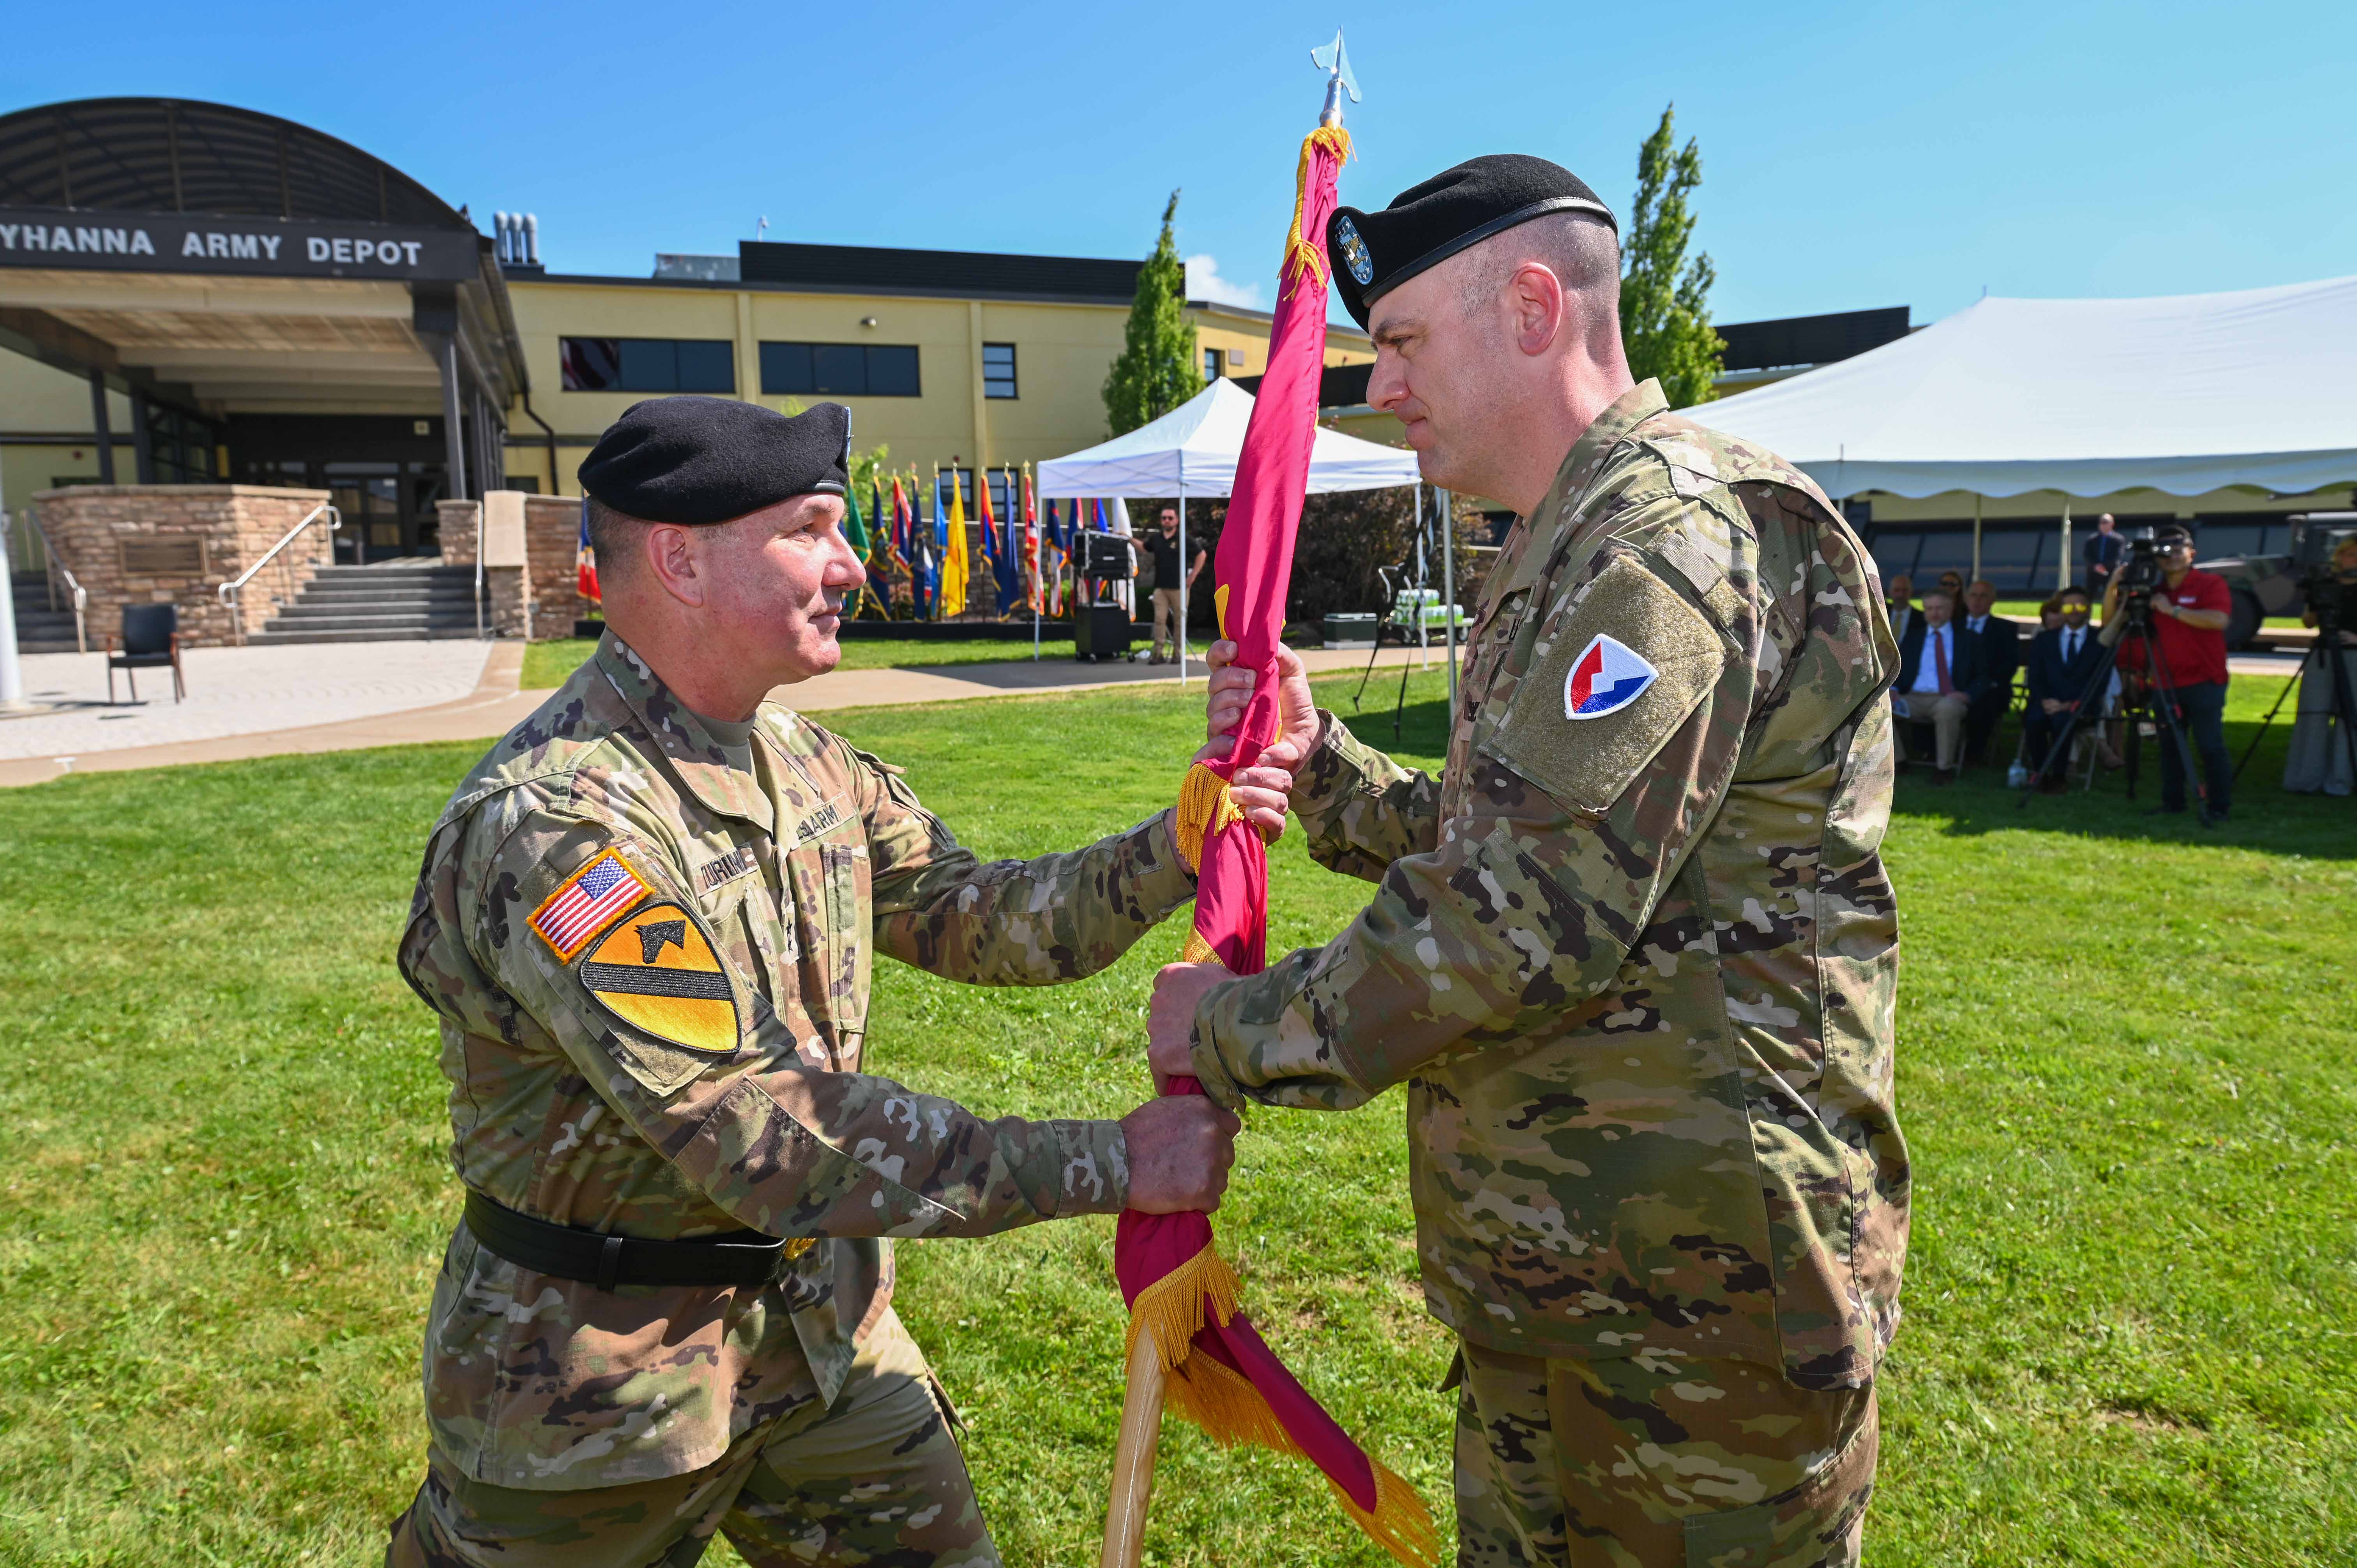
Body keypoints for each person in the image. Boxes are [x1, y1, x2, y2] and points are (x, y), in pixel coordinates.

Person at [1152, 155, 1904, 1566]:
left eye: (1400, 343)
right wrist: (1322, 770)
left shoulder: (1672, 544)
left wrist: (1226, 1031)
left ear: (1532, 304)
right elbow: (1520, 828)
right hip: (1577, 1285)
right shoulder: (1569, 544)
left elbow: (1511, 919)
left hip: (1699, 1324)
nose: (1377, 390)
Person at [384, 396, 1265, 1567]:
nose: (851, 564)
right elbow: (759, 1134)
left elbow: (977, 914)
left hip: (820, 1338)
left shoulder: (802, 761)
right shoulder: (559, 825)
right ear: (682, 559)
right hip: (594, 1397)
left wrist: (1184, 842)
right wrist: (1111, 1162)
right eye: (812, 528)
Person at [2103, 524, 2232, 819]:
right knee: (2169, 746)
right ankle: (2173, 803)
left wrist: (2173, 610)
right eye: (2165, 552)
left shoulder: (2210, 584)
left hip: (2205, 679)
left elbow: (2219, 620)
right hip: (2164, 682)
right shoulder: (2153, 590)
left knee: (2210, 745)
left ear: (2192, 554)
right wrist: (2114, 585)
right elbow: (2111, 622)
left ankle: (2219, 806)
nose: (2172, 556)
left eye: (2179, 550)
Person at [2284, 532, 2357, 795]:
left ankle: (2342, 778)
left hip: (2354, 655)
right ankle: (2306, 777)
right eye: (2349, 553)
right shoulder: (2326, 582)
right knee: (2313, 714)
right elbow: (2308, 621)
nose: (2353, 559)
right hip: (2324, 655)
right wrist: (2316, 600)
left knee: (2349, 716)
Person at [2022, 585, 2107, 791]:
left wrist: (2070, 704)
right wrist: (2045, 701)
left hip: (2081, 705)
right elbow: (2035, 677)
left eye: (2080, 606)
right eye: (2069, 607)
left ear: (2088, 609)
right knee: (2033, 719)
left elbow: (2099, 683)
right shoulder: (2045, 640)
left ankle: (2060, 777)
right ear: (2062, 610)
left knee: (2063, 722)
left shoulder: (2100, 641)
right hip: (2047, 702)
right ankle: (2040, 773)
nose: (2075, 611)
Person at [1893, 587, 1980, 782]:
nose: (1934, 613)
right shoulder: (1913, 638)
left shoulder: (1969, 639)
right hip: (1913, 698)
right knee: (1879, 709)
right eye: (1930, 609)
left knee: (1948, 709)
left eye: (1940, 608)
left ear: (1951, 610)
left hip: (1948, 698)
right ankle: (1899, 762)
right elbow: (1898, 671)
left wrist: (1967, 694)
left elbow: (1983, 676)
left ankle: (1944, 769)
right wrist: (1894, 690)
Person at [1959, 579, 2023, 766]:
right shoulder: (1954, 626)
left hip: (1991, 688)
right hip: (1955, 686)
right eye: (1973, 595)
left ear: (1993, 600)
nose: (1977, 600)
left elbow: (2010, 664)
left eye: (1983, 596)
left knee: (1983, 705)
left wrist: (1984, 685)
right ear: (1966, 598)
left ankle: (1974, 755)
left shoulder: (2006, 629)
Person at [1144, 503, 1207, 665]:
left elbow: (1202, 554)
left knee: (1180, 621)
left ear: (1177, 520)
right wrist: (1129, 538)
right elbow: (1145, 548)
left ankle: (1177, 653)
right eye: (1164, 518)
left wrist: (1193, 576)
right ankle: (1158, 653)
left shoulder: (1183, 538)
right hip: (1161, 588)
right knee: (1159, 621)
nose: (1167, 521)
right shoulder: (1157, 539)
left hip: (1180, 588)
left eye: (1170, 518)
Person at [2085, 512, 2125, 599]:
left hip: (2110, 572)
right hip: (2094, 573)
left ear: (2112, 524)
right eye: (2101, 522)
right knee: (2088, 597)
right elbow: (2087, 555)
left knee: (2110, 597)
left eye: (2106, 522)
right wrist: (2096, 566)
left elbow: (2118, 556)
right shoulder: (2092, 539)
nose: (2103, 524)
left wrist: (2104, 567)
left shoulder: (2119, 539)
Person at [1885, 572, 1918, 645]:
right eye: (1897, 590)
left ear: (1911, 592)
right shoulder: (1881, 614)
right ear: (1890, 591)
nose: (1900, 595)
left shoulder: (1921, 618)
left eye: (1905, 590)